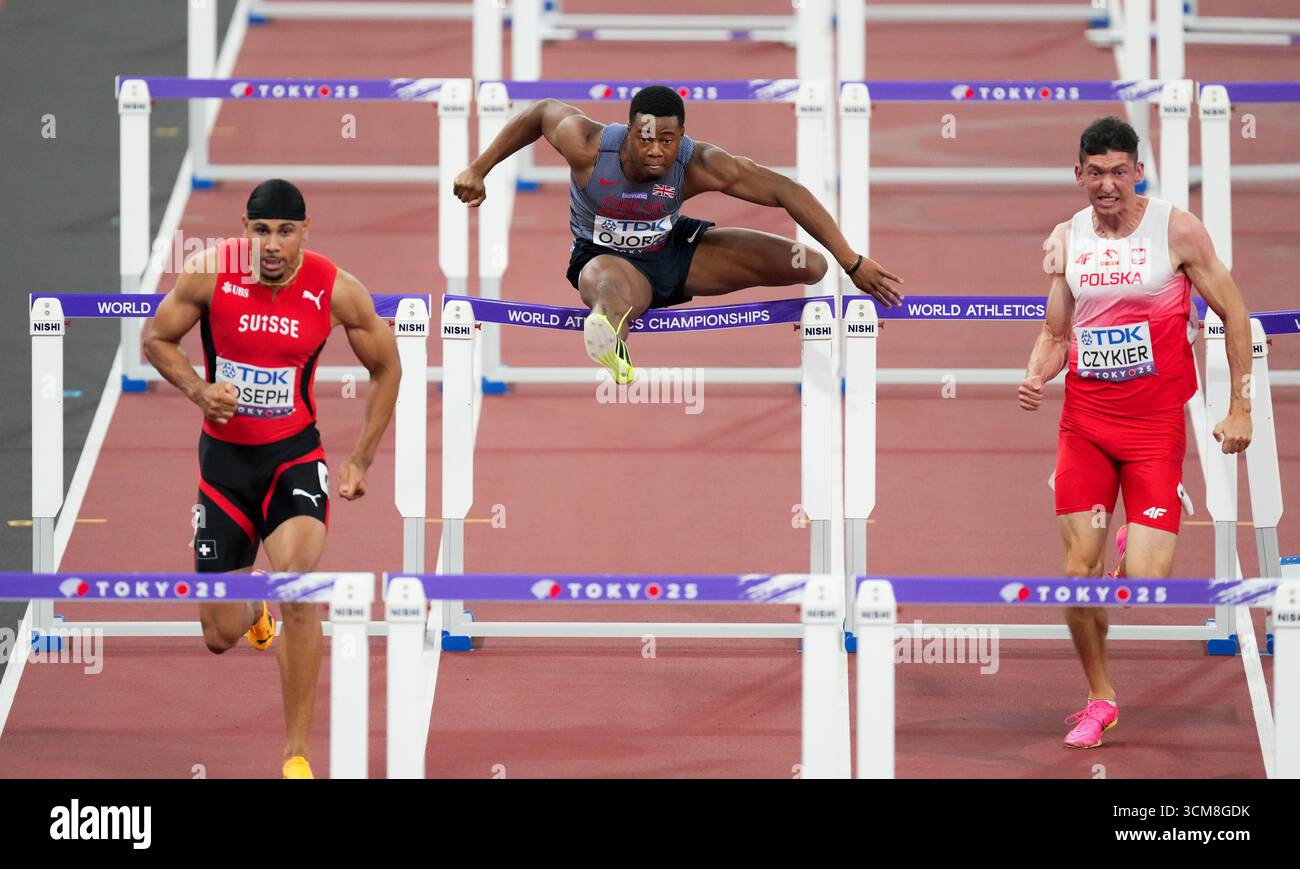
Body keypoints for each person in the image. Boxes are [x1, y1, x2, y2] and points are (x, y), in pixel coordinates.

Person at [142, 179, 401, 778]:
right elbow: (155, 338)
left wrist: (360, 458)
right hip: (224, 471)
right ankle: (250, 609)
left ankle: (297, 753)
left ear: (305, 231)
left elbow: (388, 368)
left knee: (298, 588)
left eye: (286, 231)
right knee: (219, 636)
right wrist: (197, 390)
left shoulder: (336, 289)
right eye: (261, 231)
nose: (273, 244)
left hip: (294, 462)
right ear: (245, 229)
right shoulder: (209, 274)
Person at [1018, 118, 1252, 749]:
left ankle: (1139, 530)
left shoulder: (1176, 229)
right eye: (1095, 172)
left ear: (1137, 172)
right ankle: (1100, 698)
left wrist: (1240, 407)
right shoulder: (1068, 239)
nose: (1108, 184)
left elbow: (1235, 313)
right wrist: (1037, 374)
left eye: (1119, 171)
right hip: (1086, 426)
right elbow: (1057, 333)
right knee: (1076, 574)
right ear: (1078, 175)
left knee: (1147, 580)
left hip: (1154, 430)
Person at [453, 85, 903, 383]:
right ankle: (610, 336)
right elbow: (539, 113)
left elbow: (786, 190)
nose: (654, 151)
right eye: (644, 139)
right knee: (611, 290)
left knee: (810, 264)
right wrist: (478, 168)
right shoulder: (588, 145)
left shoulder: (701, 163)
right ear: (629, 131)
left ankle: (614, 326)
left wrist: (852, 261)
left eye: (666, 140)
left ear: (681, 136)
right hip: (602, 255)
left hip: (672, 246)